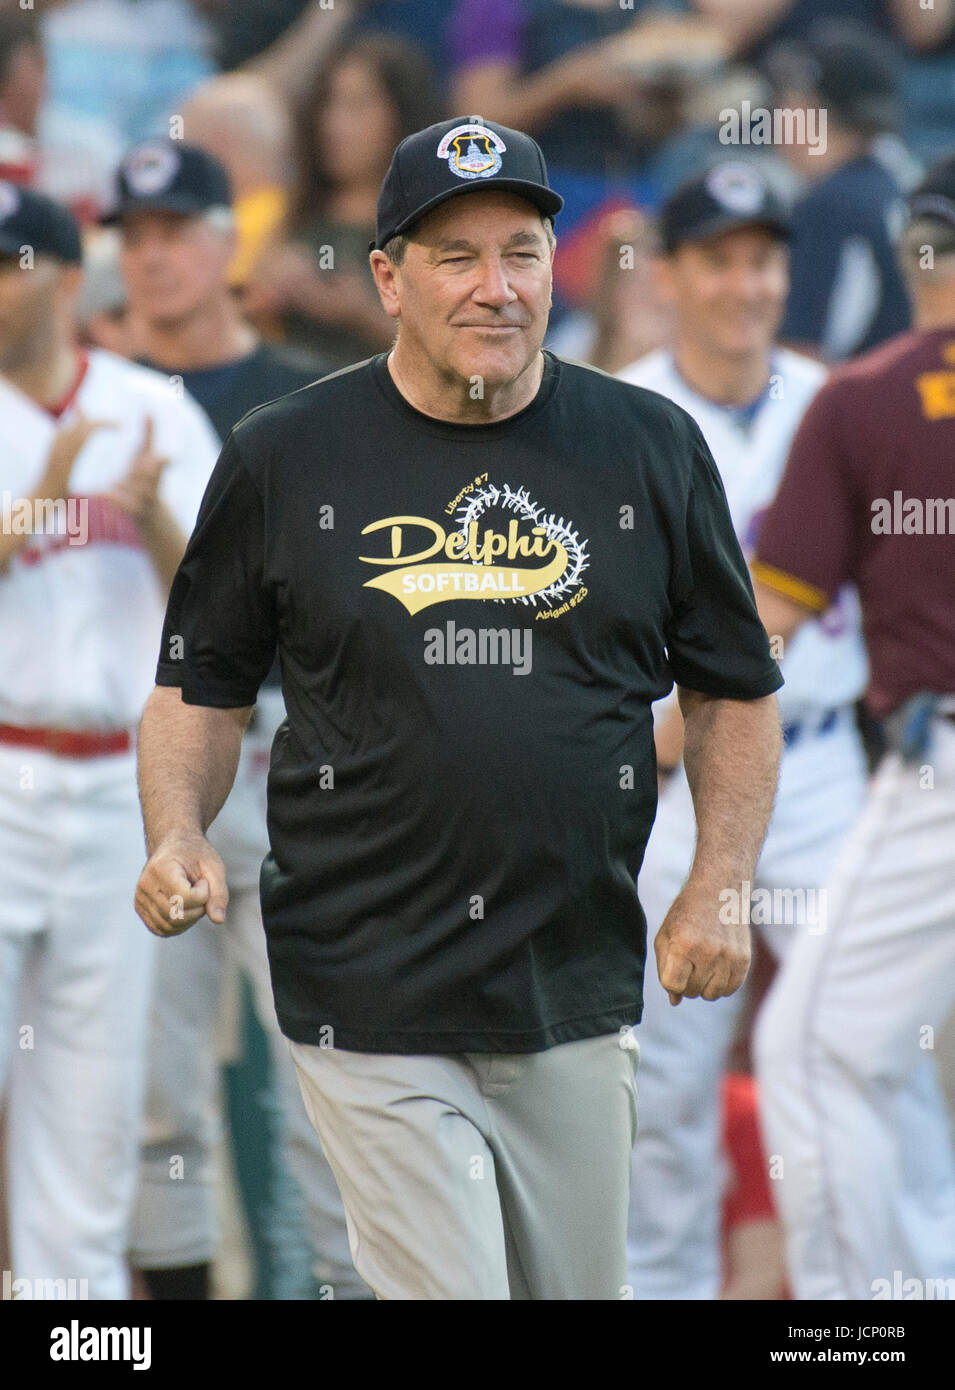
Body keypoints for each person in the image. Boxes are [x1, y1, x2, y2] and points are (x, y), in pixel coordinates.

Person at [133, 114, 784, 1301]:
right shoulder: (285, 455)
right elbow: (199, 688)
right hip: (369, 987)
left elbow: (733, 690)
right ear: (386, 277)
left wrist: (720, 879)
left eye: (521, 253)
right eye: (455, 256)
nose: (496, 288)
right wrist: (176, 828)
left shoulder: (649, 445)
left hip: (573, 985)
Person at [103, 137, 369, 1299]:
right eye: (136, 236)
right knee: (152, 1091)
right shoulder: (89, 391)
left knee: (329, 1081)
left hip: (284, 753)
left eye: (176, 231)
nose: (155, 257)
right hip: (140, 763)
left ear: (226, 242)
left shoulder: (301, 397)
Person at [616, 161, 870, 1299]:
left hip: (818, 764)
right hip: (664, 784)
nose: (744, 283)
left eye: (762, 258)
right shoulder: (609, 412)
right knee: (657, 1090)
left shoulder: (838, 399)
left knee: (847, 1065)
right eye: (717, 258)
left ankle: (855, 1309)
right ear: (668, 275)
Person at [0, 183, 219, 1299]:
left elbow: (227, 608)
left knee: (90, 1108)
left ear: (65, 277)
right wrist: (43, 496)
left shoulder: (152, 409)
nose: (2, 285)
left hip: (116, 789)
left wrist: (157, 521)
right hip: (0, 772)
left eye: (15, 262)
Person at [750, 151, 955, 1300]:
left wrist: (638, 755)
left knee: (816, 1046)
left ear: (913, 252)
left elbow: (766, 625)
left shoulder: (865, 395)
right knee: (869, 1047)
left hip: (936, 772)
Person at [243, 32, 442, 370]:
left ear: (401, 115)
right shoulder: (292, 212)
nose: (335, 124)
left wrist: (360, 313)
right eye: (328, 104)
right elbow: (233, 330)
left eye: (357, 106)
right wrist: (264, 297)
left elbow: (451, 351)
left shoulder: (431, 224)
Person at [768, 20, 914, 361]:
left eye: (790, 101)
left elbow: (803, 352)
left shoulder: (829, 205)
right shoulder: (897, 184)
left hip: (855, 401)